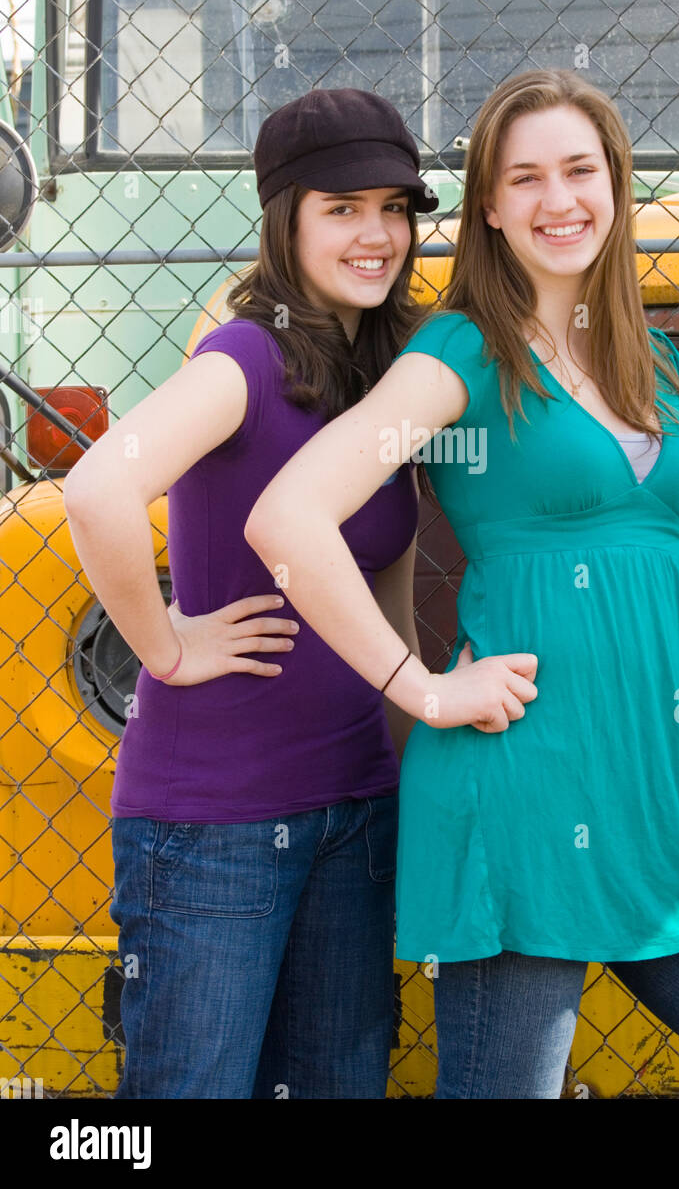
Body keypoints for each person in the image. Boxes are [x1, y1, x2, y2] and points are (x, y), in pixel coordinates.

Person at [243, 68, 679, 1100]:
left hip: (650, 814)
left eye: (578, 170)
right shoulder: (458, 355)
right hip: (519, 800)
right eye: (523, 178)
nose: (556, 199)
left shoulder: (650, 365)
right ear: (488, 206)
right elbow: (287, 516)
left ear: (614, 186)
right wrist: (422, 687)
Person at [62, 87, 533, 1099]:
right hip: (214, 825)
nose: (376, 235)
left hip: (353, 808)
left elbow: (388, 601)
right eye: (342, 208)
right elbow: (97, 488)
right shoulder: (244, 356)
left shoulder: (387, 373)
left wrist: (411, 768)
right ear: (287, 219)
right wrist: (167, 646)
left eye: (394, 208)